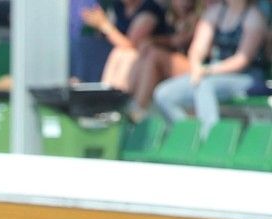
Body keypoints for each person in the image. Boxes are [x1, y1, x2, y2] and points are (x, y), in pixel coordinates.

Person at [153, 0, 268, 136]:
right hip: (211, 76)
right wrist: (196, 65)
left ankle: (210, 137)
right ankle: (189, 135)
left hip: (248, 78)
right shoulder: (215, 12)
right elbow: (198, 48)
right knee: (163, 94)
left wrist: (208, 71)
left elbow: (241, 60)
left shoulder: (254, 17)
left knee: (204, 85)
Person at [125, 0, 203, 120]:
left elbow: (178, 41)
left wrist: (153, 40)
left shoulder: (197, 18)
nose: (185, 3)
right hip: (172, 69)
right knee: (142, 55)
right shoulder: (168, 17)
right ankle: (128, 100)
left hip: (196, 68)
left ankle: (138, 108)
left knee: (154, 54)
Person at [81, 1, 170, 91]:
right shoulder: (118, 6)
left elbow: (130, 44)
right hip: (115, 54)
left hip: (142, 58)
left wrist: (104, 25)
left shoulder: (150, 9)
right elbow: (103, 35)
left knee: (124, 54)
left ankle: (117, 95)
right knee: (84, 44)